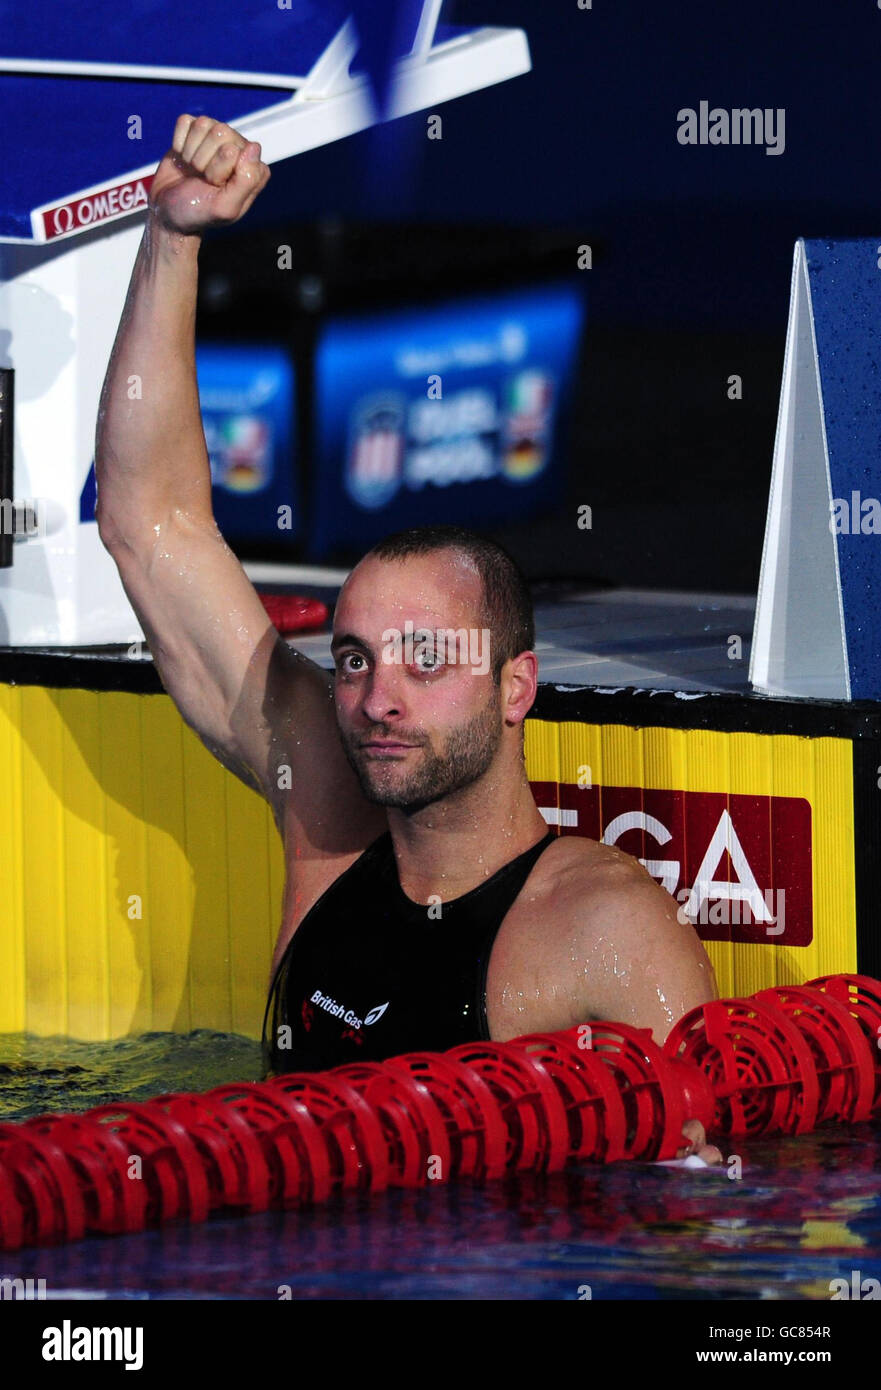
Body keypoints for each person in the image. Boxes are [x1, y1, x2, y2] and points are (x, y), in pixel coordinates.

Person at [95, 115, 721, 1162]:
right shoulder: (325, 817)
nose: (377, 697)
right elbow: (147, 524)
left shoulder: (599, 929)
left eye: (426, 660)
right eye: (354, 659)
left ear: (516, 684)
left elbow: (699, 1216)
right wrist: (173, 238)